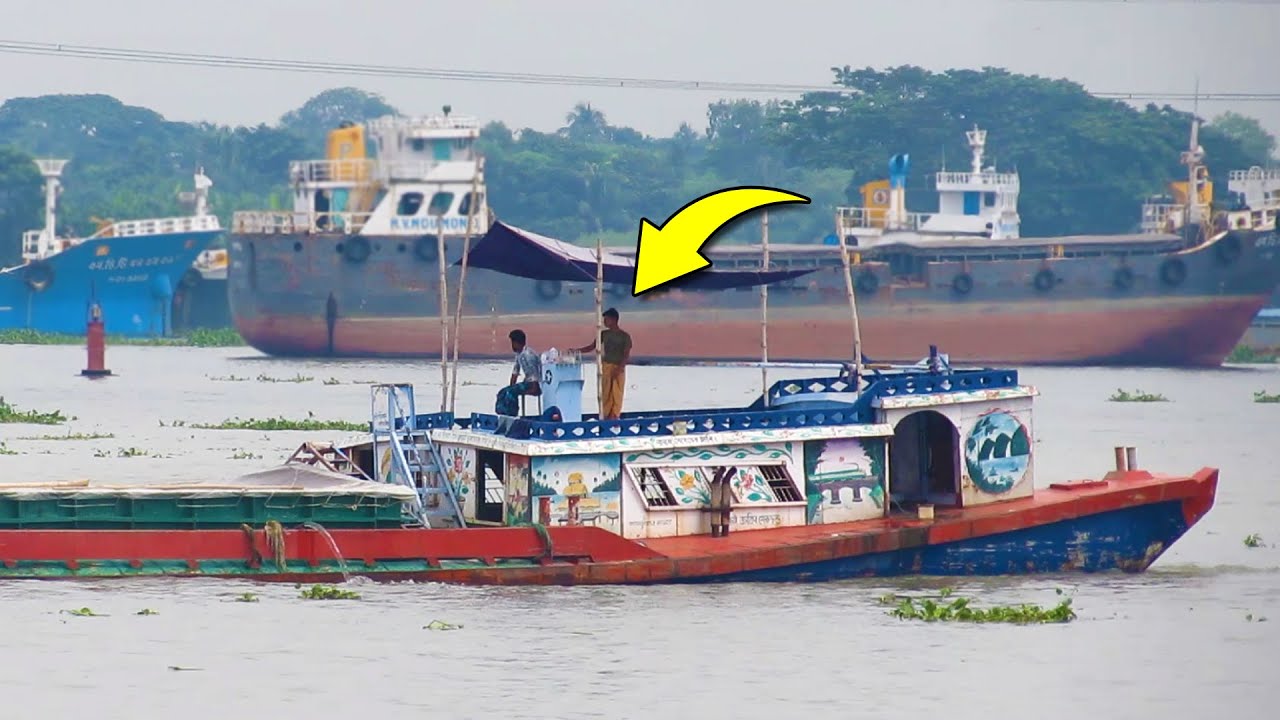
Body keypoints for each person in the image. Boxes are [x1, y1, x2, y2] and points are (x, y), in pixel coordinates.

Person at [576, 308, 632, 420]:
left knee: (617, 393)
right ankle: (605, 415)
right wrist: (577, 351)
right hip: (606, 366)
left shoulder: (625, 336)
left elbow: (626, 354)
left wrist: (620, 368)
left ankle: (615, 415)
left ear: (614, 319)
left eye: (607, 319)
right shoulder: (603, 334)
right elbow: (592, 347)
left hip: (618, 368)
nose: (605, 322)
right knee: (605, 392)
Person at [496, 329, 541, 416]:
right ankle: (503, 414)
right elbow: (515, 372)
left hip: (534, 384)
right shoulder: (519, 354)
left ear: (516, 343)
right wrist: (510, 387)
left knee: (511, 393)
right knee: (503, 392)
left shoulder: (528, 355)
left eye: (512, 343)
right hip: (527, 382)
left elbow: (534, 373)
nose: (512, 345)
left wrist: (534, 388)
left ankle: (512, 414)